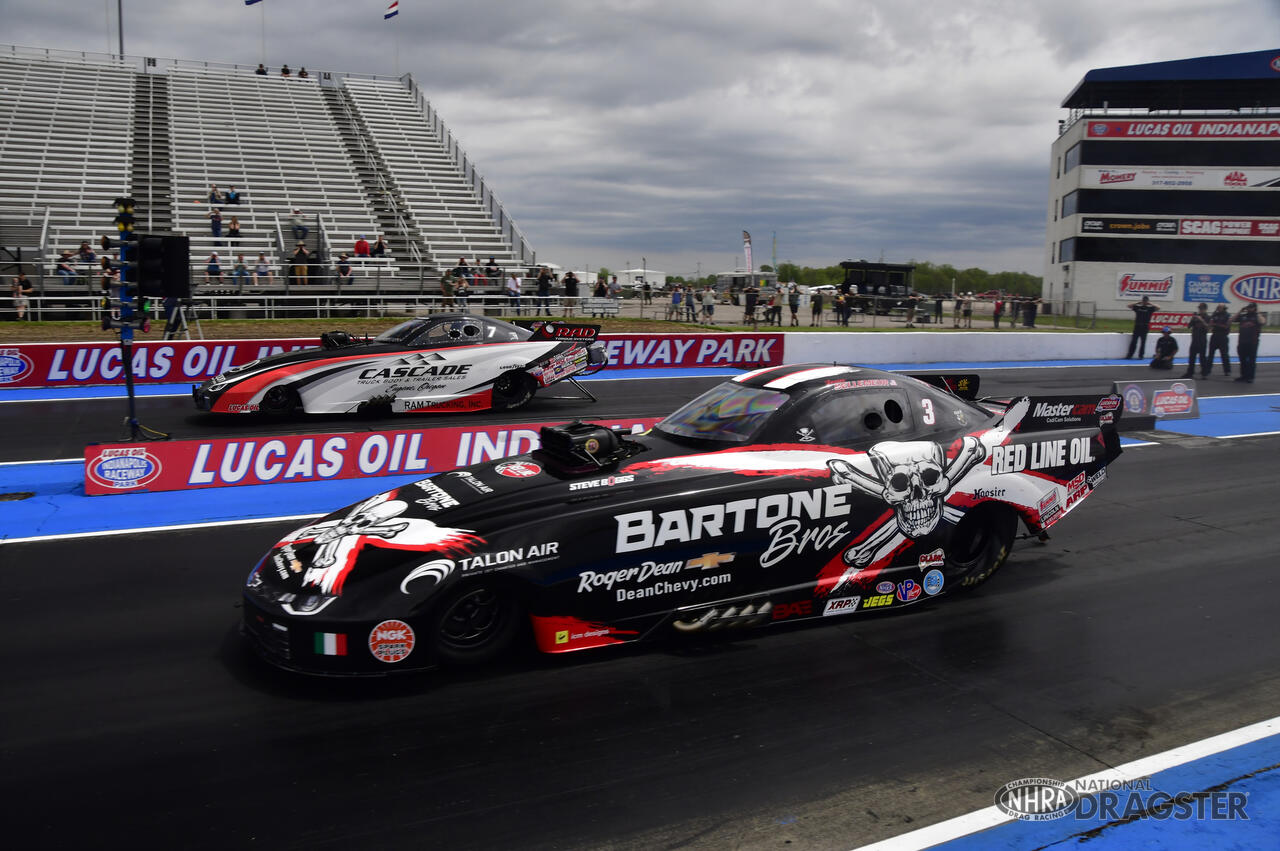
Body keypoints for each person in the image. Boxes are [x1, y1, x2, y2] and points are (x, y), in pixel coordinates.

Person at [1235, 302, 1264, 383]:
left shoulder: (1257, 317)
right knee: (1242, 360)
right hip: (1242, 341)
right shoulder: (1243, 316)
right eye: (1248, 307)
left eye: (1251, 308)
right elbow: (1232, 320)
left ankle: (1250, 377)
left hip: (1252, 342)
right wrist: (1240, 311)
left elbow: (1262, 322)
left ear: (1254, 308)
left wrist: (1258, 312)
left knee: (1251, 360)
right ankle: (1243, 376)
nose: (1249, 309)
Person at [1182, 303, 1210, 379]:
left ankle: (1204, 373)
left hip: (1202, 340)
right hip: (1194, 339)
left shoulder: (1207, 317)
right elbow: (1189, 326)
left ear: (1205, 309)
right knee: (1192, 357)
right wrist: (1193, 319)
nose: (1200, 310)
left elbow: (1208, 327)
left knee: (1202, 358)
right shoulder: (1195, 317)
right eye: (1199, 309)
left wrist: (1201, 320)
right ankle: (1190, 372)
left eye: (1201, 309)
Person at [1206, 304, 1232, 377]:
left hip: (1223, 336)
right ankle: (1207, 370)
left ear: (1224, 308)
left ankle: (1227, 370)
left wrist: (1215, 324)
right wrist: (1213, 324)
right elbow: (1210, 324)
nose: (1218, 308)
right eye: (1218, 307)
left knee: (1224, 355)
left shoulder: (1227, 315)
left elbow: (1226, 326)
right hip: (1215, 336)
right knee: (1211, 354)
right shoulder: (1215, 314)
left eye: (1220, 307)